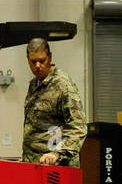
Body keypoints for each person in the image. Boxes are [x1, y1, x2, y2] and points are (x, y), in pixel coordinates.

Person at [22, 38, 86, 167]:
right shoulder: (34, 84)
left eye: (42, 61)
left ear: (50, 57)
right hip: (34, 164)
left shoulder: (63, 84)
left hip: (57, 165)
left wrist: (57, 155)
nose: (38, 66)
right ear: (27, 58)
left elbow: (78, 128)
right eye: (33, 62)